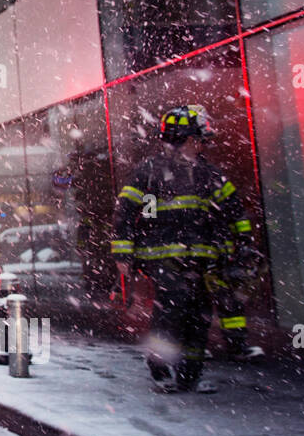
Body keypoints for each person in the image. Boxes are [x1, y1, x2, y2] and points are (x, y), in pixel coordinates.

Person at [110, 105, 262, 394]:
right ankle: (161, 368)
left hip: (202, 262)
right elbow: (125, 212)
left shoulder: (208, 173)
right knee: (171, 315)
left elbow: (234, 211)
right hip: (165, 261)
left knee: (199, 317)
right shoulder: (151, 172)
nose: (202, 143)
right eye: (199, 138)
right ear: (186, 138)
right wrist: (122, 253)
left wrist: (244, 245)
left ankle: (189, 375)